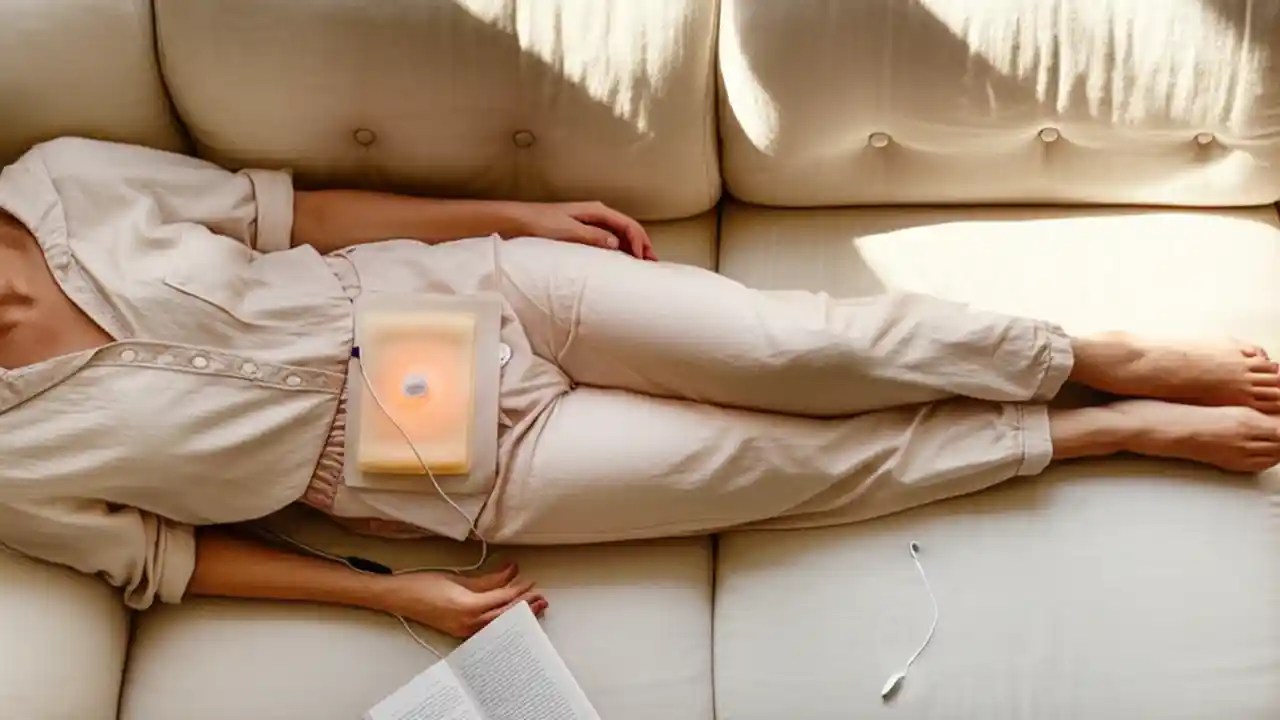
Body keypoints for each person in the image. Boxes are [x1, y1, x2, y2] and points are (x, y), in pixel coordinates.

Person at [1, 137, 1277, 640]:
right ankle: (1099, 441)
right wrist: (402, 601)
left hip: (459, 293)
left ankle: (1091, 358)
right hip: (443, 467)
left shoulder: (57, 182)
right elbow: (170, 559)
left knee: (799, 350)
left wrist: (510, 208)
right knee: (793, 470)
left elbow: (286, 213)